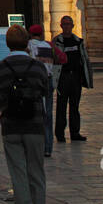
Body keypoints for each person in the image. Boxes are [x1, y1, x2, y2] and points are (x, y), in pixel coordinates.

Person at [0, 24, 51, 204]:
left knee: (19, 178)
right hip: (35, 126)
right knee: (37, 176)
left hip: (11, 127)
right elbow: (46, 92)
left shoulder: (1, 68)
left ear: (7, 44)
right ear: (27, 42)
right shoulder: (37, 67)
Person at [27, 23, 66, 157]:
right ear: (41, 34)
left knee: (34, 113)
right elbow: (62, 58)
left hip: (35, 80)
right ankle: (48, 148)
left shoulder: (29, 46)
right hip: (48, 79)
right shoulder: (48, 45)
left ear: (30, 34)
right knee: (48, 115)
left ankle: (36, 146)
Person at [52, 16, 92, 142]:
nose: (67, 26)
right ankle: (60, 134)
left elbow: (84, 59)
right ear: (61, 26)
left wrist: (86, 77)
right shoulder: (57, 41)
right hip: (63, 77)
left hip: (75, 77)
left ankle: (75, 132)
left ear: (73, 25)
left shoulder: (78, 41)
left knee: (75, 106)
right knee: (61, 106)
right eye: (64, 24)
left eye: (69, 24)